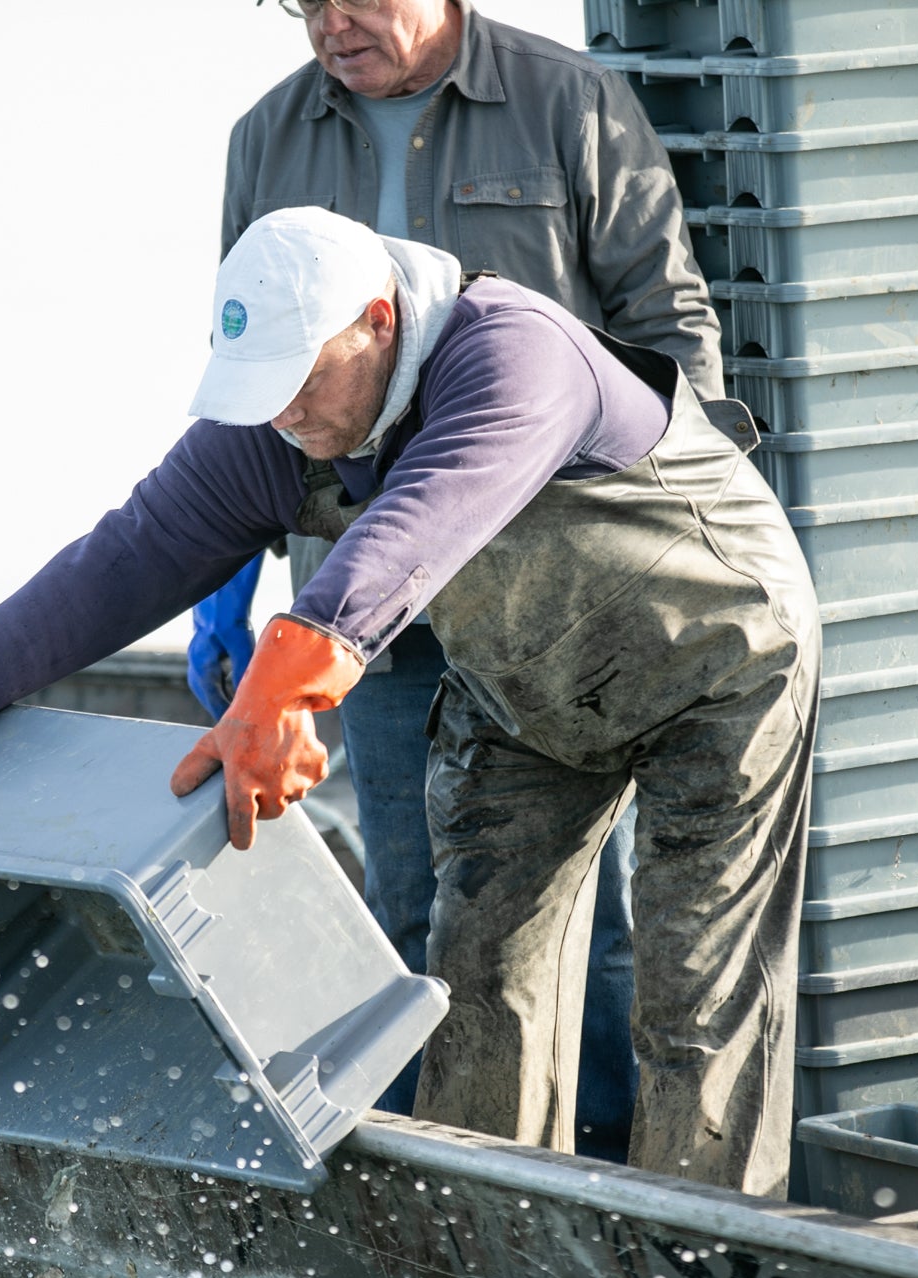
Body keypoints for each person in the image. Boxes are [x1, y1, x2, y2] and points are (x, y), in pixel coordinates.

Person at [0, 208, 819, 1195]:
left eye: (303, 379)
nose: (284, 412)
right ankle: (492, 1243)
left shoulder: (515, 356)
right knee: (477, 978)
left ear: (378, 321)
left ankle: (708, 1269)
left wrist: (281, 685)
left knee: (695, 993)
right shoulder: (281, 426)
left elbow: (415, 524)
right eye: (262, 387)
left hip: (712, 663)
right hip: (523, 688)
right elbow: (118, 564)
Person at [190, 0, 729, 1145]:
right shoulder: (264, 137)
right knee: (414, 905)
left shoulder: (571, 103)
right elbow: (246, 363)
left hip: (556, 599)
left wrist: (678, 536)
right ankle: (443, 1174)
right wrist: (224, 586)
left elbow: (668, 325)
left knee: (587, 913)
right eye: (301, 1)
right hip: (367, 610)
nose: (329, 22)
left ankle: (602, 1168)